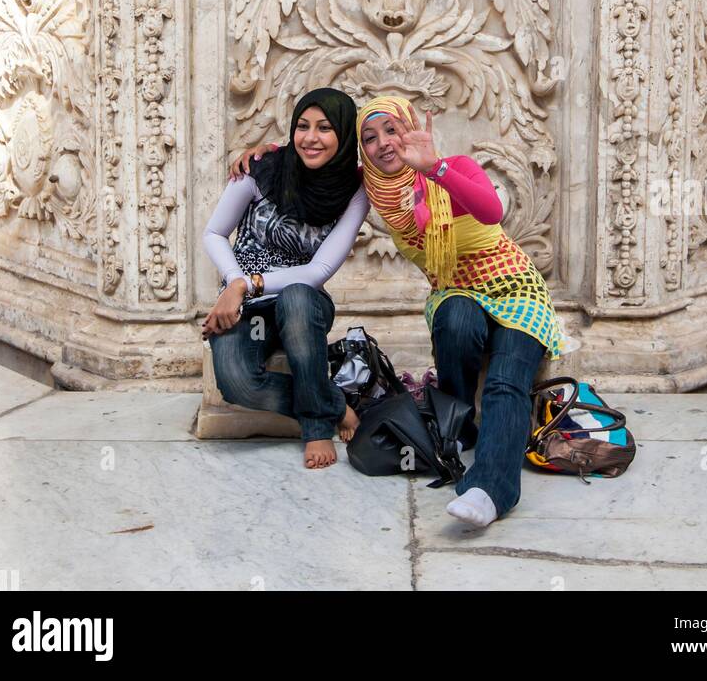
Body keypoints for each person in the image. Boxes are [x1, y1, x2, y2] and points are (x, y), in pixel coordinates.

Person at [232, 93, 566, 524]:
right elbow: (318, 160)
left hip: (516, 289)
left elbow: (491, 210)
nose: (383, 143)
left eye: (393, 129)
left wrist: (434, 169)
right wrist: (266, 154)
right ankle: (458, 427)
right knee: (455, 319)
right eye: (369, 137)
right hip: (455, 291)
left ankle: (489, 489)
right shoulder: (374, 187)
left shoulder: (454, 167)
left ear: (412, 128)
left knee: (505, 380)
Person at [203, 88, 369, 469]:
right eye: (302, 126)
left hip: (302, 302)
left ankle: (315, 427)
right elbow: (214, 233)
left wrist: (245, 283)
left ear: (344, 136)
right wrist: (233, 281)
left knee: (295, 296)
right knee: (236, 381)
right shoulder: (260, 169)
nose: (311, 138)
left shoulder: (354, 191)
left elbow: (318, 271)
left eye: (325, 128)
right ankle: (334, 403)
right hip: (246, 304)